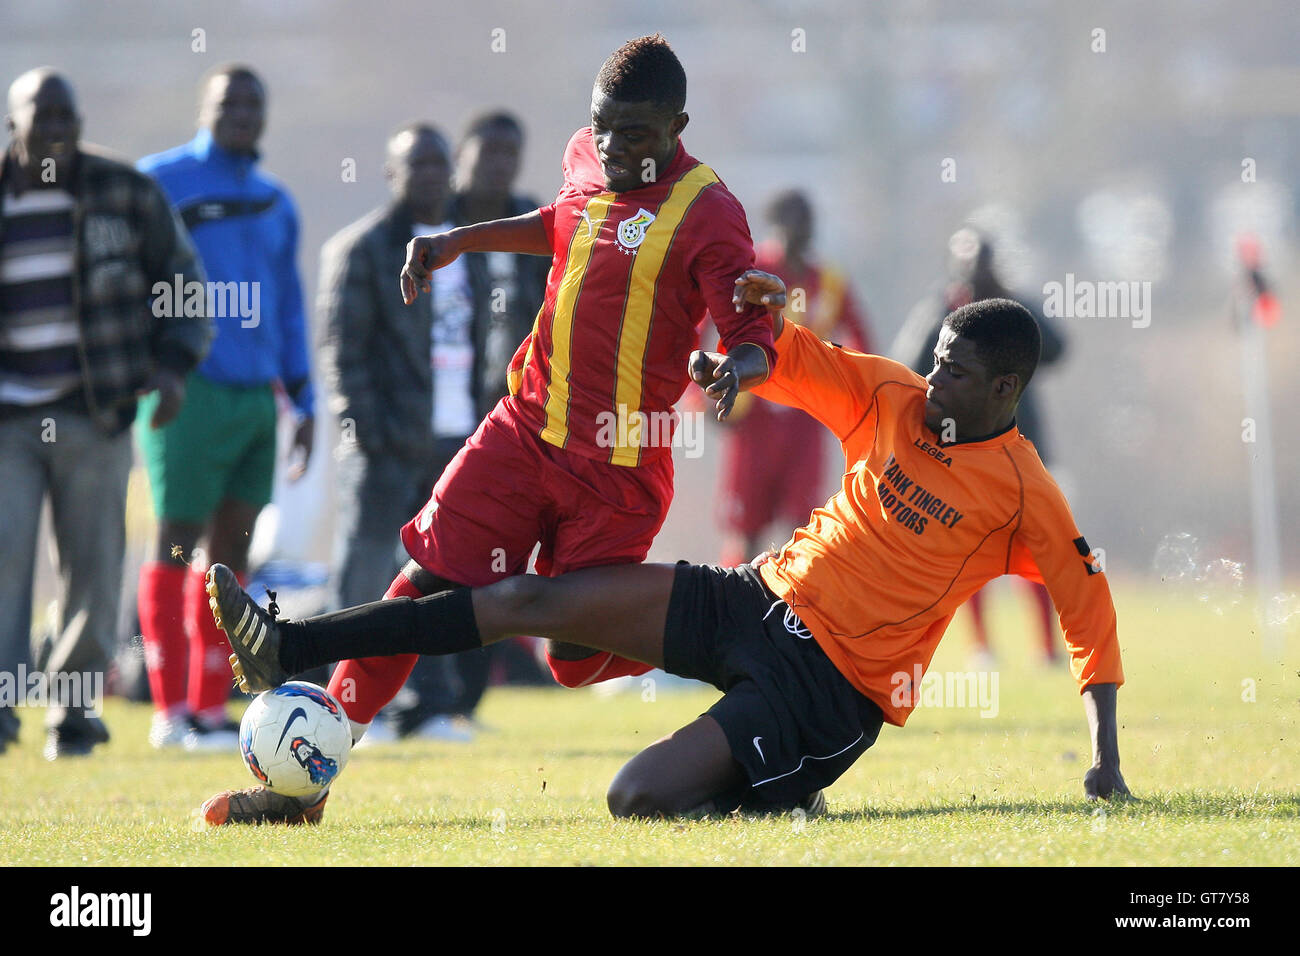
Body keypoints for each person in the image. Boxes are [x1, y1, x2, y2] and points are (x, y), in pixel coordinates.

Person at [201, 274, 1129, 822]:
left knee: (635, 800)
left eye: (956, 372)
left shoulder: (1023, 493)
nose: (933, 379)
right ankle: (291, 646)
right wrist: (743, 356)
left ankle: (782, 783)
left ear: (1006, 388)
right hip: (752, 601)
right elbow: (798, 361)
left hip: (829, 691)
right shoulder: (893, 398)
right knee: (527, 598)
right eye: (934, 359)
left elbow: (1092, 618)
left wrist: (1105, 761)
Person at [197, 33, 777, 824]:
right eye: (603, 127)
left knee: (570, 659)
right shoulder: (589, 158)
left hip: (619, 471)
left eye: (634, 136)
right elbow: (562, 222)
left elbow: (748, 327)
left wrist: (731, 367)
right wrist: (457, 242)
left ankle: (730, 642)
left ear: (679, 124)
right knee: (423, 581)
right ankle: (306, 788)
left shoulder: (709, 213)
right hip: (521, 433)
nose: (612, 148)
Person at [0, 68, 211, 758]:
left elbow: (184, 281)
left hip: (96, 412)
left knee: (92, 565)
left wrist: (173, 367)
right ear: (15, 125)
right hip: (7, 418)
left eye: (68, 115)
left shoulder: (124, 193)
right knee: (6, 558)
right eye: (43, 116)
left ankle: (73, 711)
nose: (57, 127)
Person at [134, 64, 315, 751]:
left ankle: (210, 711)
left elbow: (290, 304)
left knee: (229, 559)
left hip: (258, 398)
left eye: (253, 103)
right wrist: (152, 361)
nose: (241, 113)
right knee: (175, 545)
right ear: (205, 107)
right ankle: (168, 711)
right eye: (228, 102)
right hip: (191, 391)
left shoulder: (276, 200)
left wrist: (303, 396)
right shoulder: (161, 180)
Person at [387, 112, 554, 740]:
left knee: (495, 565)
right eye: (488, 151)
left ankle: (465, 699)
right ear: (463, 155)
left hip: (509, 417)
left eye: (512, 152)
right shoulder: (441, 227)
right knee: (430, 561)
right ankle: (419, 700)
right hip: (435, 421)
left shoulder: (531, 220)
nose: (500, 164)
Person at [319, 122, 480, 742]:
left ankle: (429, 705)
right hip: (385, 443)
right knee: (363, 575)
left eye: (441, 164)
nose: (433, 176)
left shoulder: (464, 247)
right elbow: (343, 356)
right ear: (392, 174)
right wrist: (368, 433)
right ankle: (346, 705)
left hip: (456, 440)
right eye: (418, 165)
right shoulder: (361, 250)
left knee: (435, 577)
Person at [892, 227, 1066, 665]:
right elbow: (907, 366)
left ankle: (1046, 649)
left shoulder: (1015, 309)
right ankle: (982, 647)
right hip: (961, 449)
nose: (976, 271)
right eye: (968, 262)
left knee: (1038, 546)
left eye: (982, 262)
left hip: (1020, 446)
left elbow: (1059, 348)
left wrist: (1014, 311)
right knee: (967, 547)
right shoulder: (943, 310)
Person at [716, 188, 873, 565]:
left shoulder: (830, 282)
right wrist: (703, 393)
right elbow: (711, 324)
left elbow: (861, 343)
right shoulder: (753, 271)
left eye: (807, 223)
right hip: (755, 415)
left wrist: (846, 389)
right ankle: (733, 606)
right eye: (792, 221)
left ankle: (790, 606)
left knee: (801, 520)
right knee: (747, 526)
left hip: (806, 417)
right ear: (776, 224)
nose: (801, 231)